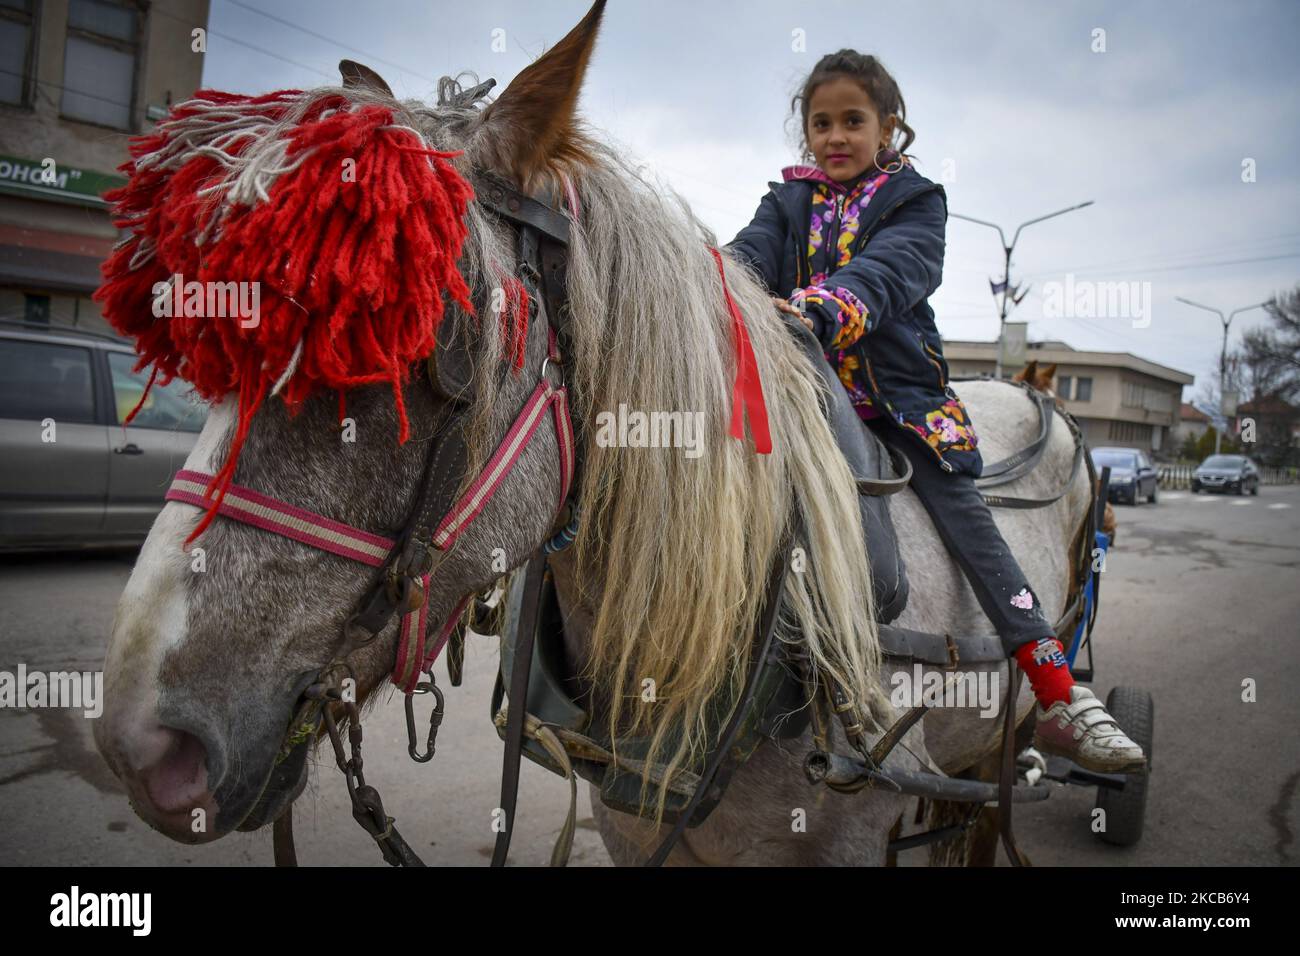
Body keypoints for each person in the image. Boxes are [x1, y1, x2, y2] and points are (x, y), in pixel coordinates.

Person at [726, 49, 1145, 774]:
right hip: (803, 401)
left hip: (900, 409)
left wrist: (821, 309)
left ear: (889, 126)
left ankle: (1055, 691)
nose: (834, 137)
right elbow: (744, 258)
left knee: (971, 530)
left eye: (852, 120)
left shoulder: (916, 203)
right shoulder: (786, 204)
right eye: (820, 123)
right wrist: (706, 286)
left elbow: (887, 273)